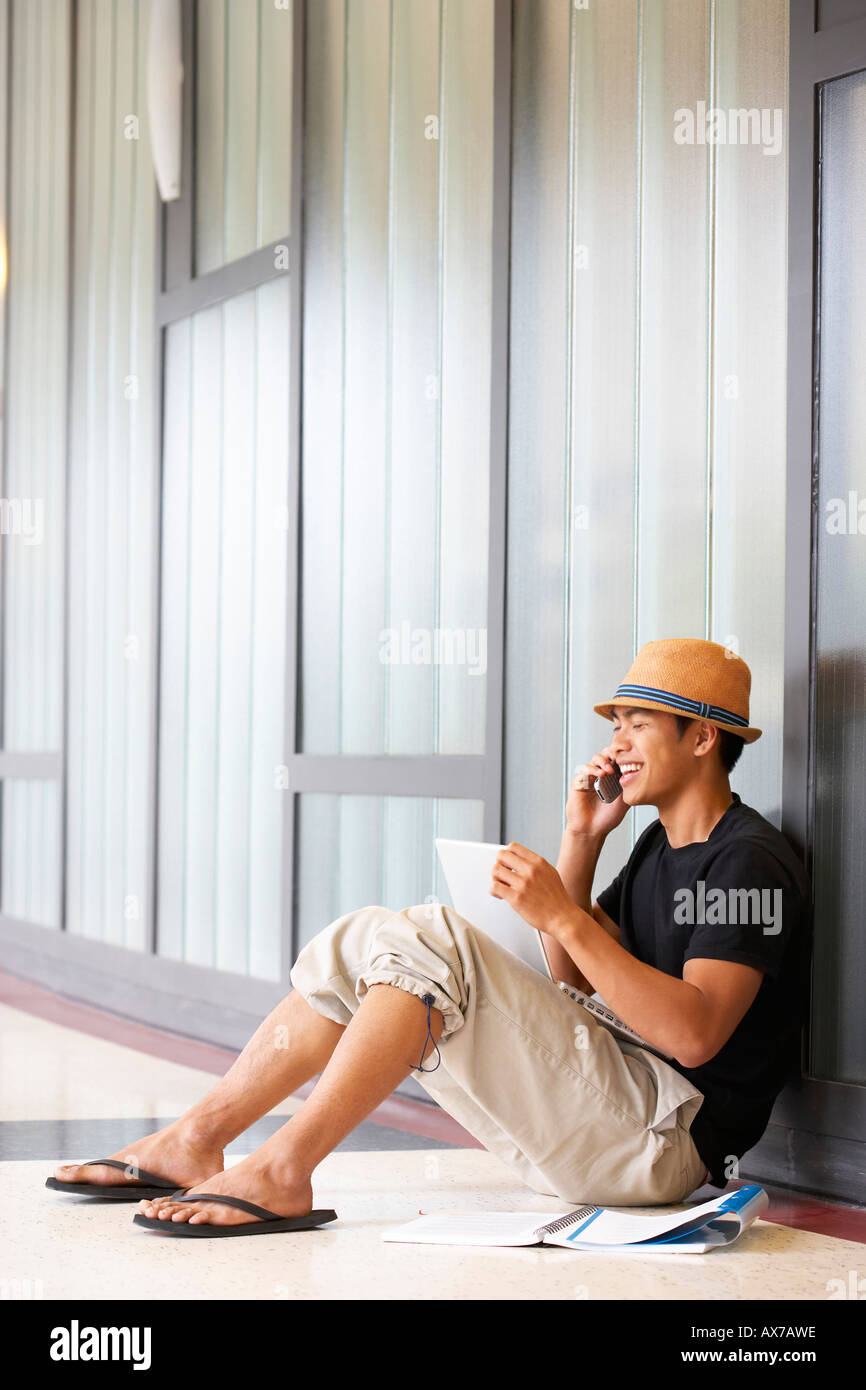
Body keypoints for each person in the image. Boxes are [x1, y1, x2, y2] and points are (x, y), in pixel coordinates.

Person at [48, 637, 810, 1235]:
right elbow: (575, 980)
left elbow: (696, 1033)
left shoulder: (746, 862)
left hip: (661, 1145)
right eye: (617, 725)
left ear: (703, 738)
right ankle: (196, 1139)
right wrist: (582, 838)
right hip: (608, 1114)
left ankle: (284, 1166)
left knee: (431, 938)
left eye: (637, 724)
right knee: (370, 938)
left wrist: (563, 914)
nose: (618, 744)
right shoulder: (656, 847)